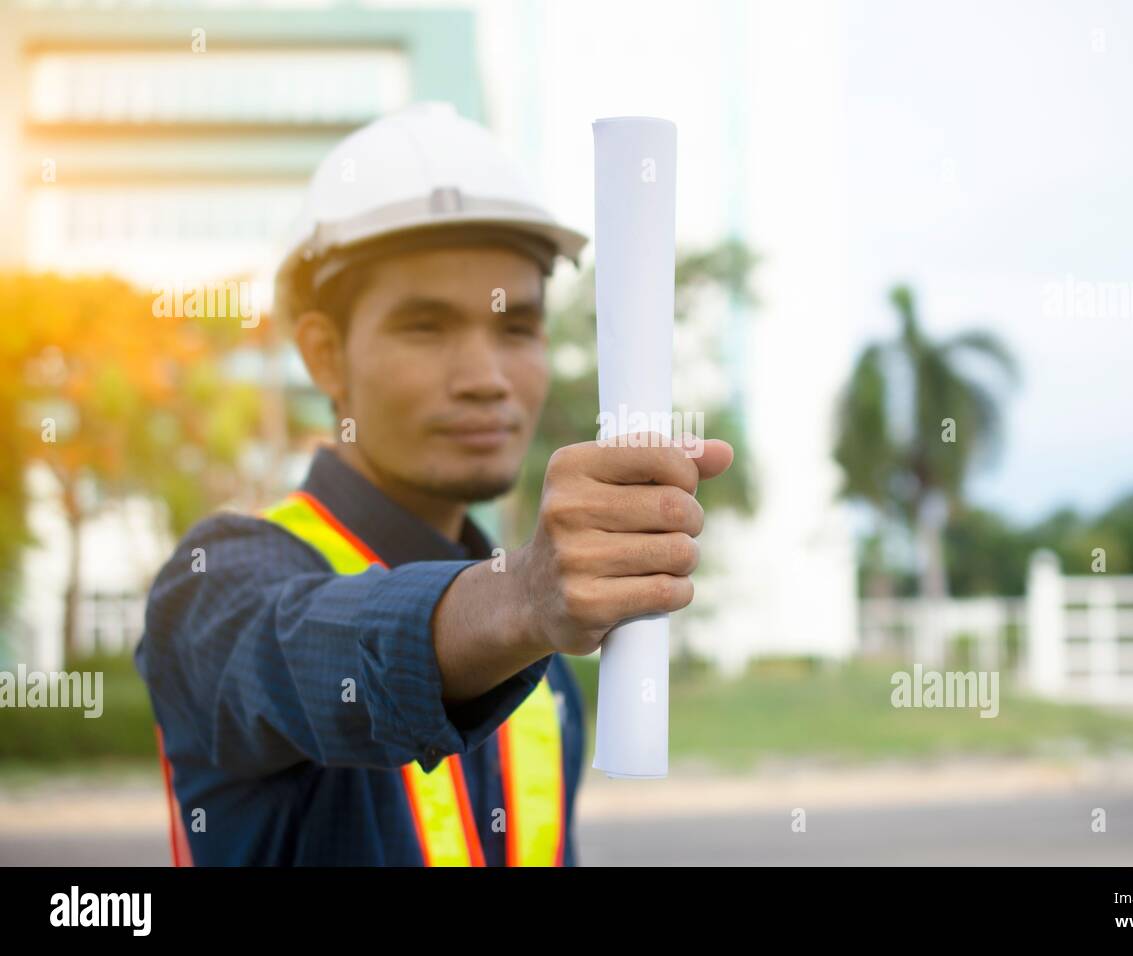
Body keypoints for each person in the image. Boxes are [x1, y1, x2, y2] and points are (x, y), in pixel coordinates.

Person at [134, 102, 734, 866]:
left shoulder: (542, 672)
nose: (486, 379)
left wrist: (528, 608)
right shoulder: (213, 590)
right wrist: (522, 596)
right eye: (426, 327)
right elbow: (309, 651)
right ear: (323, 355)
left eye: (516, 327)